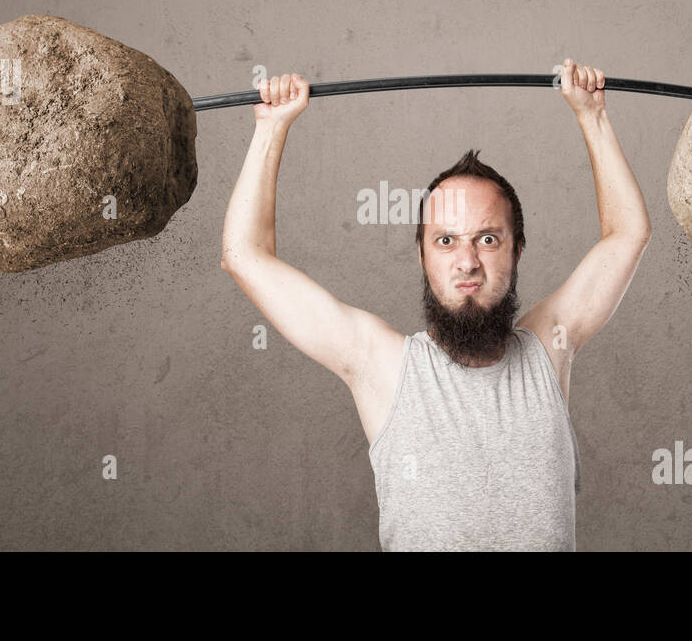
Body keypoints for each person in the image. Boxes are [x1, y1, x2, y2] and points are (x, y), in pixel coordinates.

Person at [221, 59, 651, 550]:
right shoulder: (380, 365)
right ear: (422, 255)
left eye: (487, 239)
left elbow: (628, 234)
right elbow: (243, 256)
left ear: (517, 248)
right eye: (446, 242)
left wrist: (592, 116)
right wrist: (272, 127)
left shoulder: (550, 346)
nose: (467, 262)